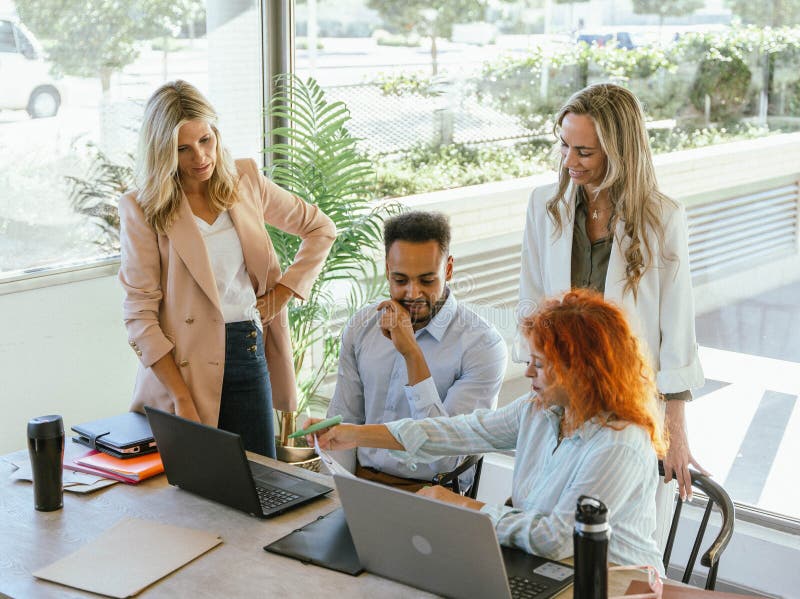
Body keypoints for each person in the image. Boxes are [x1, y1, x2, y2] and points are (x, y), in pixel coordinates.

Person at [312, 289, 666, 573]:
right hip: (545, 569)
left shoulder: (619, 444)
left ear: (581, 371)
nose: (528, 373)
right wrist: (353, 434)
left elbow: (557, 538)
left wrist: (463, 506)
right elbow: (453, 431)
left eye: (540, 364)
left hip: (614, 582)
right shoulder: (539, 411)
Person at [517, 83, 706, 543]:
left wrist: (675, 433)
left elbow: (676, 331)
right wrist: (539, 377)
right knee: (551, 532)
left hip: (628, 404)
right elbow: (533, 302)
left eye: (584, 151)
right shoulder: (545, 206)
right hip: (564, 397)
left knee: (623, 540)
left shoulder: (663, 217)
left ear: (620, 153)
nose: (570, 161)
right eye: (565, 145)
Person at [118, 80, 336, 458]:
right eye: (182, 149)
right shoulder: (142, 207)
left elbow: (321, 229)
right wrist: (181, 398)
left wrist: (282, 294)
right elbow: (140, 315)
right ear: (162, 151)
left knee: (260, 478)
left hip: (246, 349)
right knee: (192, 485)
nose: (200, 157)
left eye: (205, 140)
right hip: (182, 366)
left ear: (215, 132)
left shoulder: (245, 180)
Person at [326, 211, 507, 491]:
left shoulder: (482, 345)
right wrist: (337, 492)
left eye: (427, 280)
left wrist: (411, 352)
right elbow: (343, 420)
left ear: (448, 269)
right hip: (359, 482)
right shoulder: (362, 327)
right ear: (387, 269)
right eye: (400, 280)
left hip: (433, 491)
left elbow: (444, 455)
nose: (413, 294)